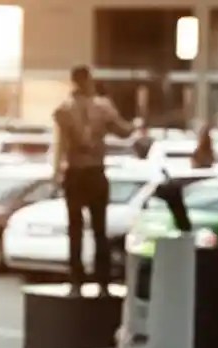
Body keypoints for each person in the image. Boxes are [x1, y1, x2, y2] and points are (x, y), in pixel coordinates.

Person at [51, 64, 134, 296]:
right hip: (95, 172)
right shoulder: (103, 107)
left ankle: (76, 281)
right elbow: (124, 131)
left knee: (75, 229)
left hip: (75, 173)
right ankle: (103, 282)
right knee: (99, 229)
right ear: (88, 80)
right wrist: (134, 123)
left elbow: (61, 146)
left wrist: (56, 173)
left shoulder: (63, 110)